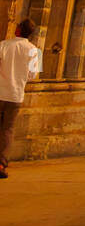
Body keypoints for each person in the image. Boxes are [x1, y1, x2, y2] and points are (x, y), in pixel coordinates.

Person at [0, 19, 41, 179]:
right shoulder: (35, 51)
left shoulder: (3, 45)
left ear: (18, 30)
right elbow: (33, 75)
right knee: (8, 130)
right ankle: (1, 164)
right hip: (16, 95)